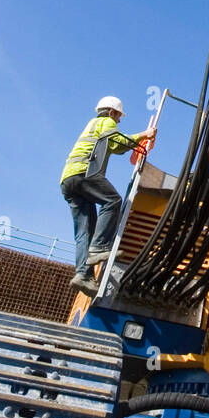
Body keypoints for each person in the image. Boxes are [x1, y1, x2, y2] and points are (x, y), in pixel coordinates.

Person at [60, 96, 154, 295]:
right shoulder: (106, 121)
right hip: (84, 172)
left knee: (85, 230)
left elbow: (117, 147)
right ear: (112, 112)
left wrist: (137, 141)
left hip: (68, 180)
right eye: (119, 116)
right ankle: (99, 247)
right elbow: (116, 139)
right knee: (113, 200)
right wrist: (144, 134)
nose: (119, 121)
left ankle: (83, 275)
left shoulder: (93, 124)